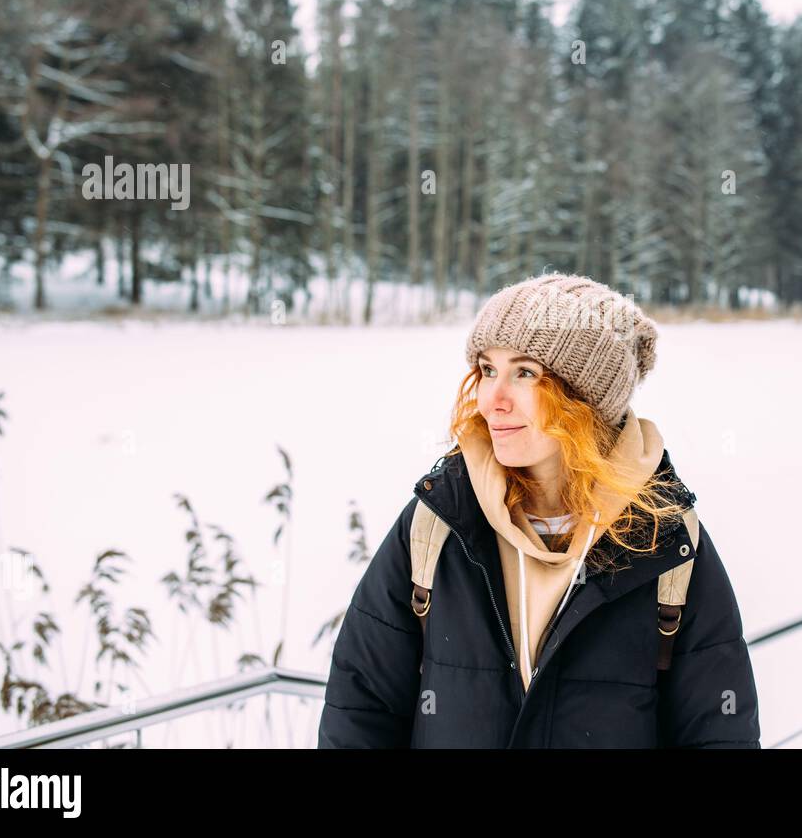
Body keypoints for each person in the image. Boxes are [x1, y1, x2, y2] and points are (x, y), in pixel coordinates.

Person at [317, 272, 761, 747]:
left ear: (585, 400)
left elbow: (718, 733)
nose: (492, 400)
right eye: (487, 369)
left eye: (525, 372)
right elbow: (361, 710)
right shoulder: (438, 522)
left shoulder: (665, 541)